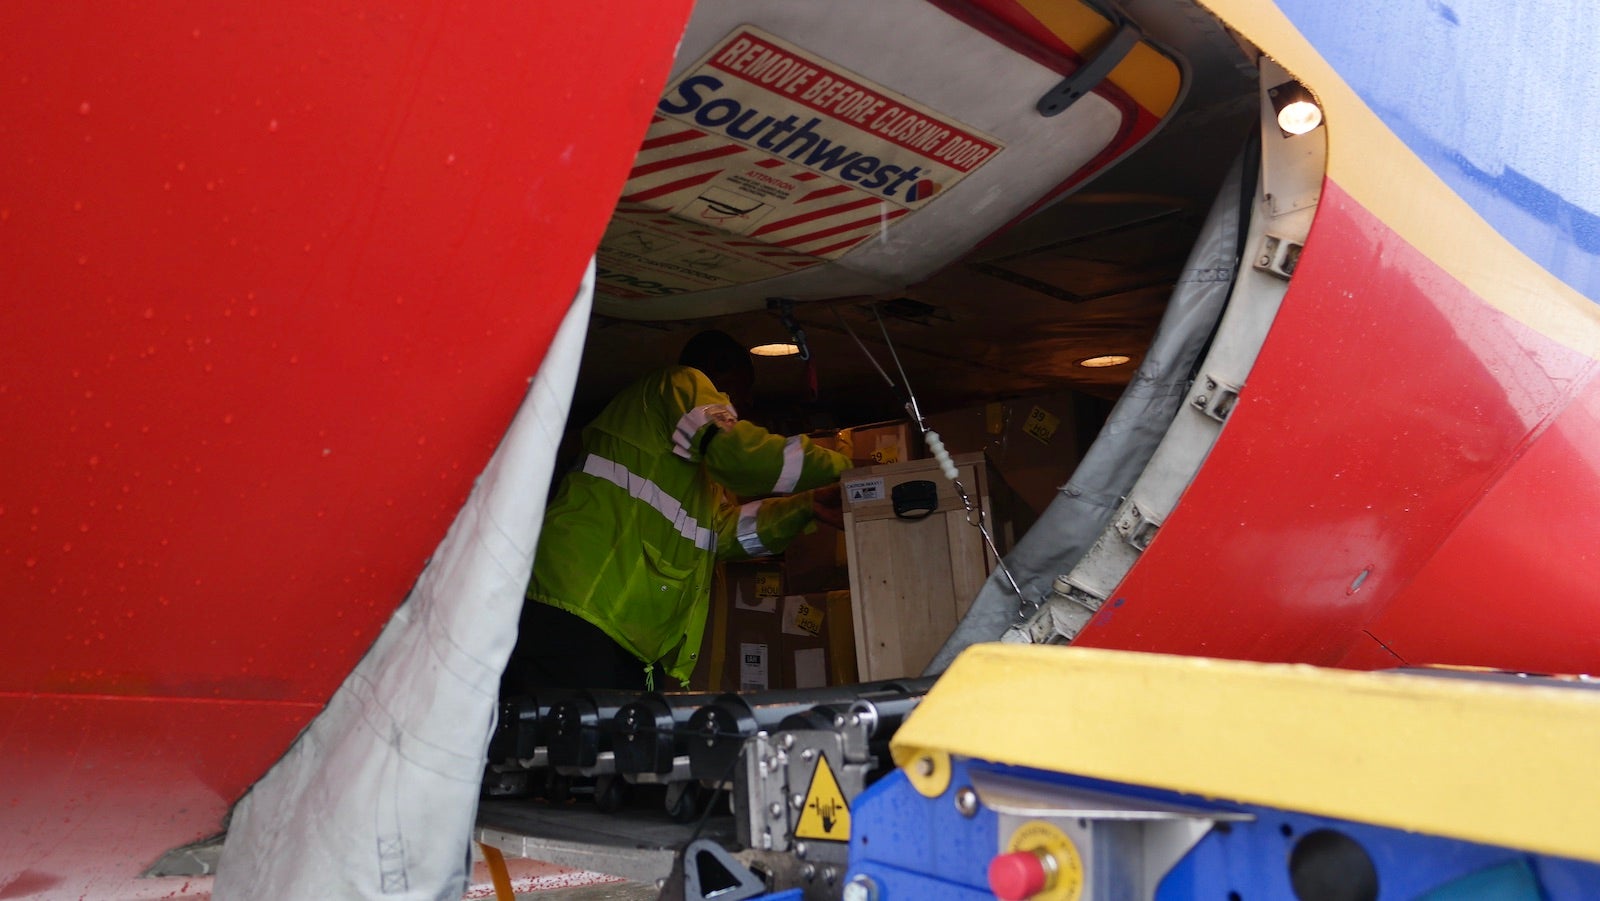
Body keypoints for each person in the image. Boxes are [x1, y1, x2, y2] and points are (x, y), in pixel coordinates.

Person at [506, 330, 851, 691]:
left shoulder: (699, 475)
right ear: (714, 371)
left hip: (614, 627)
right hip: (580, 610)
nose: (746, 401)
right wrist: (845, 466)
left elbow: (723, 533)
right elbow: (739, 453)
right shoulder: (681, 383)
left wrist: (804, 507)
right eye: (740, 388)